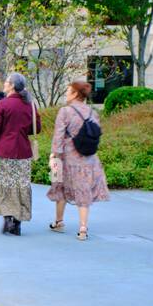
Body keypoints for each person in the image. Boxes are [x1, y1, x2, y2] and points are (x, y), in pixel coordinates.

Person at [47, 80, 109, 241]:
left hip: (68, 156)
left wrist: (54, 155)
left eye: (68, 91)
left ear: (75, 94)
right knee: (83, 190)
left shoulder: (65, 111)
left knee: (59, 186)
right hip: (88, 157)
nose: (66, 93)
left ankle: (59, 221)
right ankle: (83, 227)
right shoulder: (92, 112)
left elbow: (58, 136)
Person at [0, 72, 41, 235]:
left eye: (7, 82)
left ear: (13, 86)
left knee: (5, 185)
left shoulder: (2, 105)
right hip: (23, 151)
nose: (5, 84)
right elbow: (37, 128)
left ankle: (7, 218)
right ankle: (18, 221)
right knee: (21, 185)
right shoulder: (30, 105)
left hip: (4, 151)